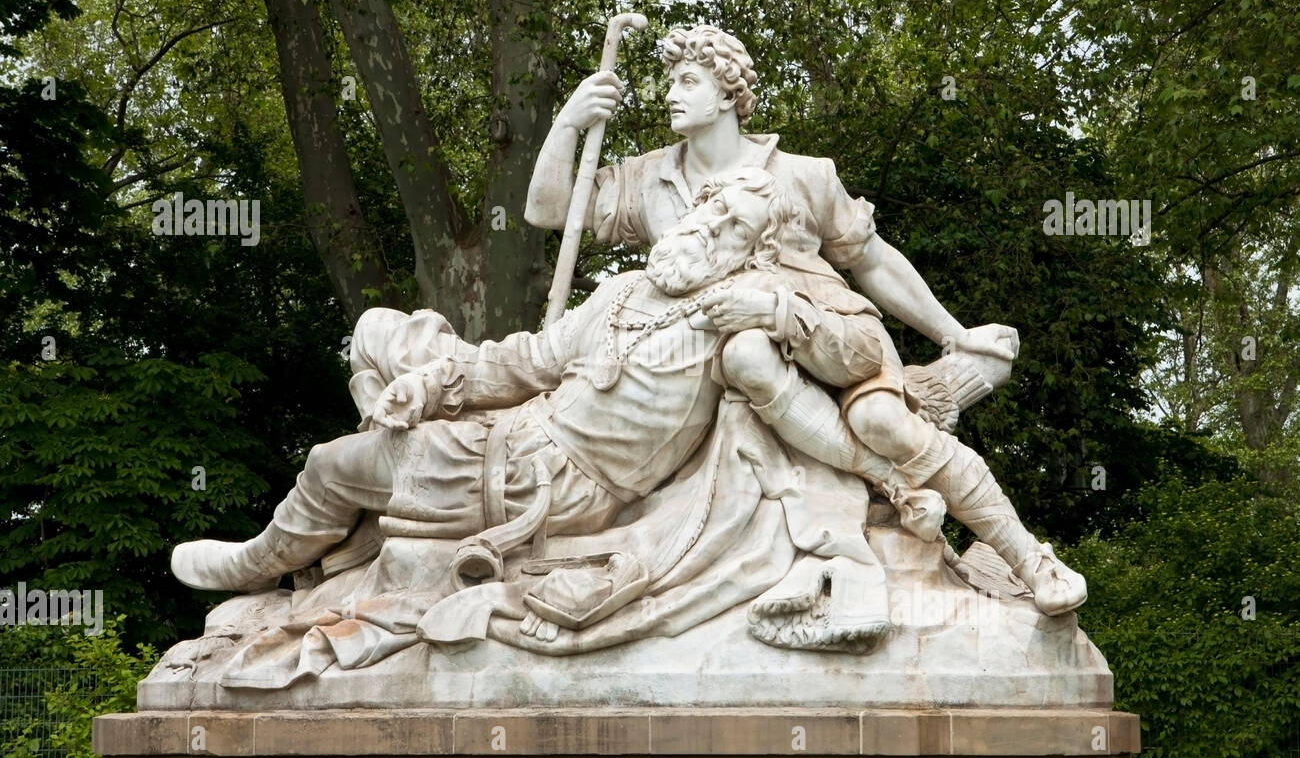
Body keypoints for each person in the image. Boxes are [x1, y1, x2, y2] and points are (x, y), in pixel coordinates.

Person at [522, 24, 1085, 615]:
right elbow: (547, 209)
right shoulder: (647, 179)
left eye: (688, 80)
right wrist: (569, 122)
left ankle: (1028, 557)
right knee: (740, 360)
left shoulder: (804, 175)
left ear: (728, 94)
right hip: (717, 375)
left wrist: (952, 332)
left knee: (885, 422)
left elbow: (872, 262)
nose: (671, 93)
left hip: (828, 343)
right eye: (670, 80)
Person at [171, 171, 883, 596]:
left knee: (331, 465)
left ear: (752, 254)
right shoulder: (626, 289)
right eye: (710, 209)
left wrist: (780, 306)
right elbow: (524, 363)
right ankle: (316, 550)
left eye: (731, 228)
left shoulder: (735, 320)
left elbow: (860, 357)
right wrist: (428, 385)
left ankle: (256, 564)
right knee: (386, 361)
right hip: (509, 437)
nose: (708, 228)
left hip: (548, 485)